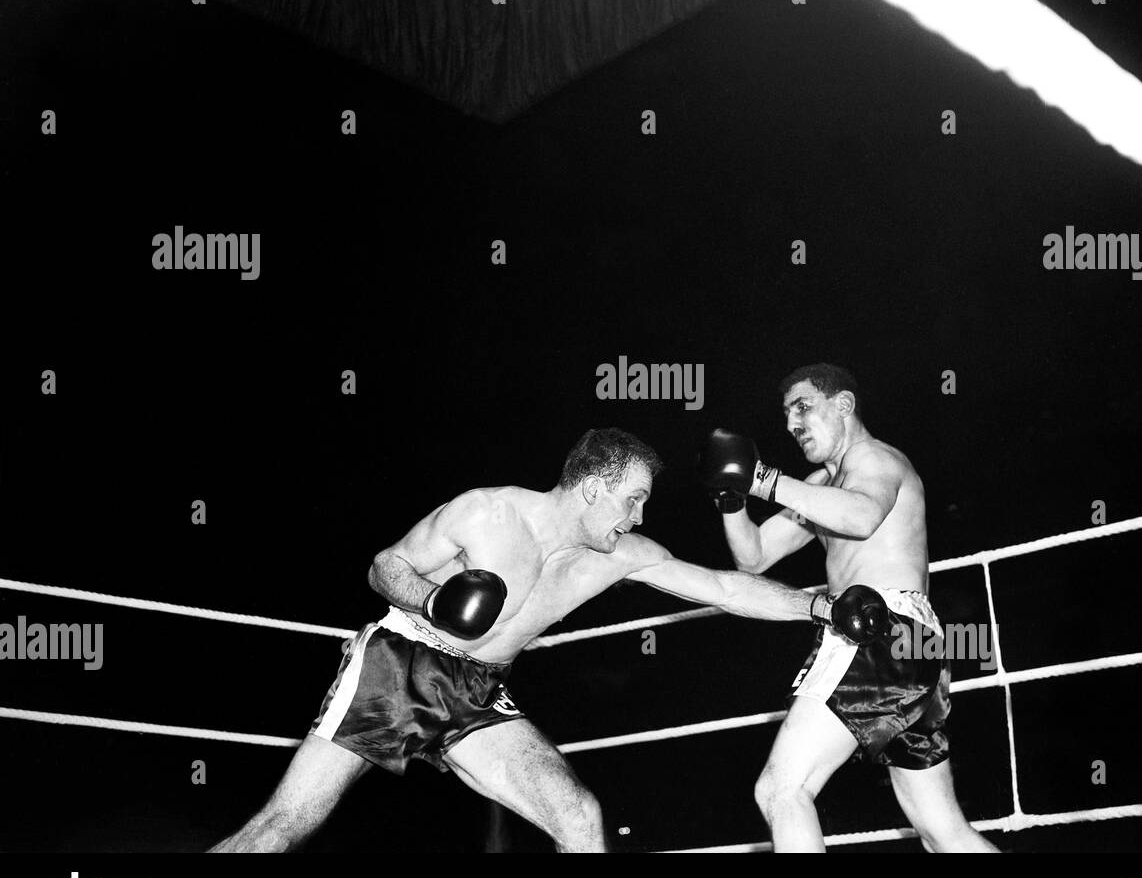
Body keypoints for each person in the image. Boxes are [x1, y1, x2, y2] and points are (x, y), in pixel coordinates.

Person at [210, 428, 815, 853]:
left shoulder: (620, 556)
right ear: (592, 489)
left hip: (478, 692)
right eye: (632, 499)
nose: (637, 517)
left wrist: (817, 604)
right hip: (401, 662)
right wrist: (430, 600)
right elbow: (384, 566)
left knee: (579, 816)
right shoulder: (486, 513)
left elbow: (727, 588)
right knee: (285, 825)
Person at [700, 363, 998, 852]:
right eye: (786, 414)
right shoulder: (824, 482)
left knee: (782, 789)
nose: (792, 424)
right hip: (912, 649)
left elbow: (861, 517)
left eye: (803, 407)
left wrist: (761, 478)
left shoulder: (876, 460)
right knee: (941, 831)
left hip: (877, 632)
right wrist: (731, 499)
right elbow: (753, 556)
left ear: (843, 405)